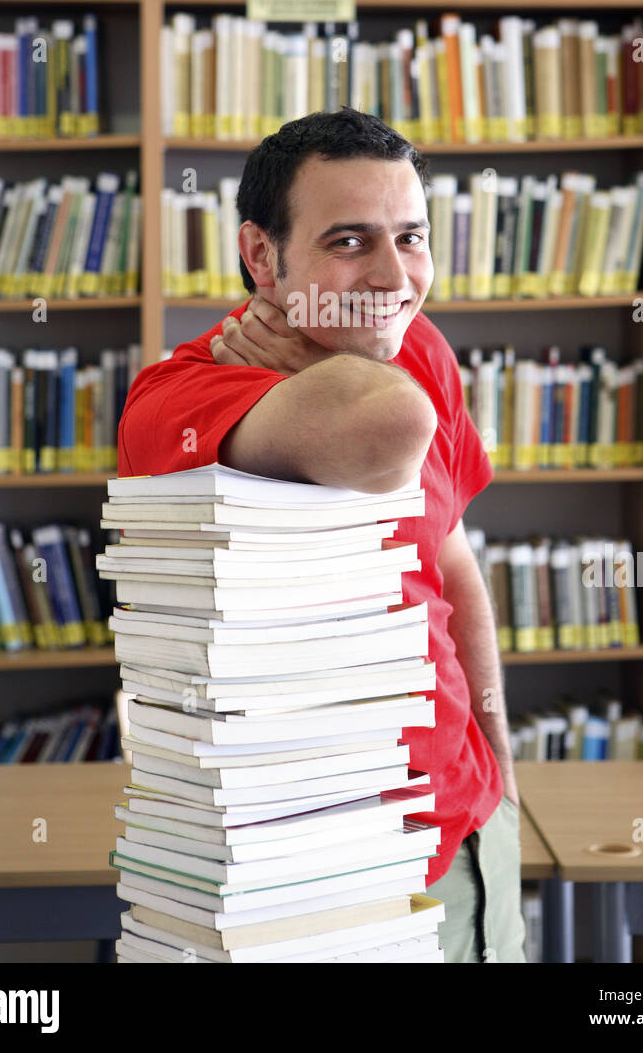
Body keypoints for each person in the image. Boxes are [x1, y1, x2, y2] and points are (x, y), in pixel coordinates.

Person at [117, 106, 526, 963]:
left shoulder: (417, 348)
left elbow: (451, 562)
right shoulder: (180, 395)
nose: (393, 277)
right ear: (262, 256)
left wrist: (498, 760)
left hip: (468, 823)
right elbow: (389, 427)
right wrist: (327, 368)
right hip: (321, 872)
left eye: (410, 237)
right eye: (349, 242)